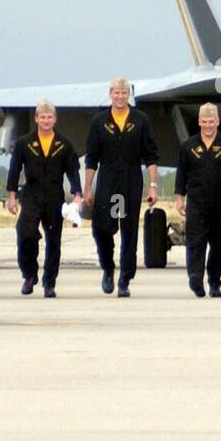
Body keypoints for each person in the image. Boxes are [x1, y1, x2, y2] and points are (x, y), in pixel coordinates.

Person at [84, 78, 159, 298]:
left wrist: (153, 186)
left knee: (129, 231)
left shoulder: (140, 120)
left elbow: (151, 157)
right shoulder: (99, 121)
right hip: (107, 181)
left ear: (128, 95)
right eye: (116, 93)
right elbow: (91, 158)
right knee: (102, 228)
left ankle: (125, 278)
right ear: (110, 94)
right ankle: (107, 267)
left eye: (123, 93)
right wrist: (88, 188)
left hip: (130, 179)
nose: (120, 97)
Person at [6, 100, 84, 297]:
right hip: (31, 195)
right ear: (36, 119)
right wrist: (12, 196)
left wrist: (77, 194)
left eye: (49, 117)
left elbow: (73, 170)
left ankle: (49, 283)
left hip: (54, 196)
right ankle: (29, 274)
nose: (46, 121)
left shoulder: (64, 144)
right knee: (25, 234)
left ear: (55, 119)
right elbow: (14, 170)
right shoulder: (24, 143)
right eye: (42, 117)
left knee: (54, 241)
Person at [174, 103, 221, 298]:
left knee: (218, 245)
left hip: (220, 204)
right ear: (198, 122)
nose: (207, 125)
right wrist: (179, 198)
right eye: (204, 122)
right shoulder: (189, 146)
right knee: (195, 242)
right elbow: (181, 173)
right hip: (196, 203)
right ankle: (195, 277)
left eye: (211, 122)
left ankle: (214, 281)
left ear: (217, 122)